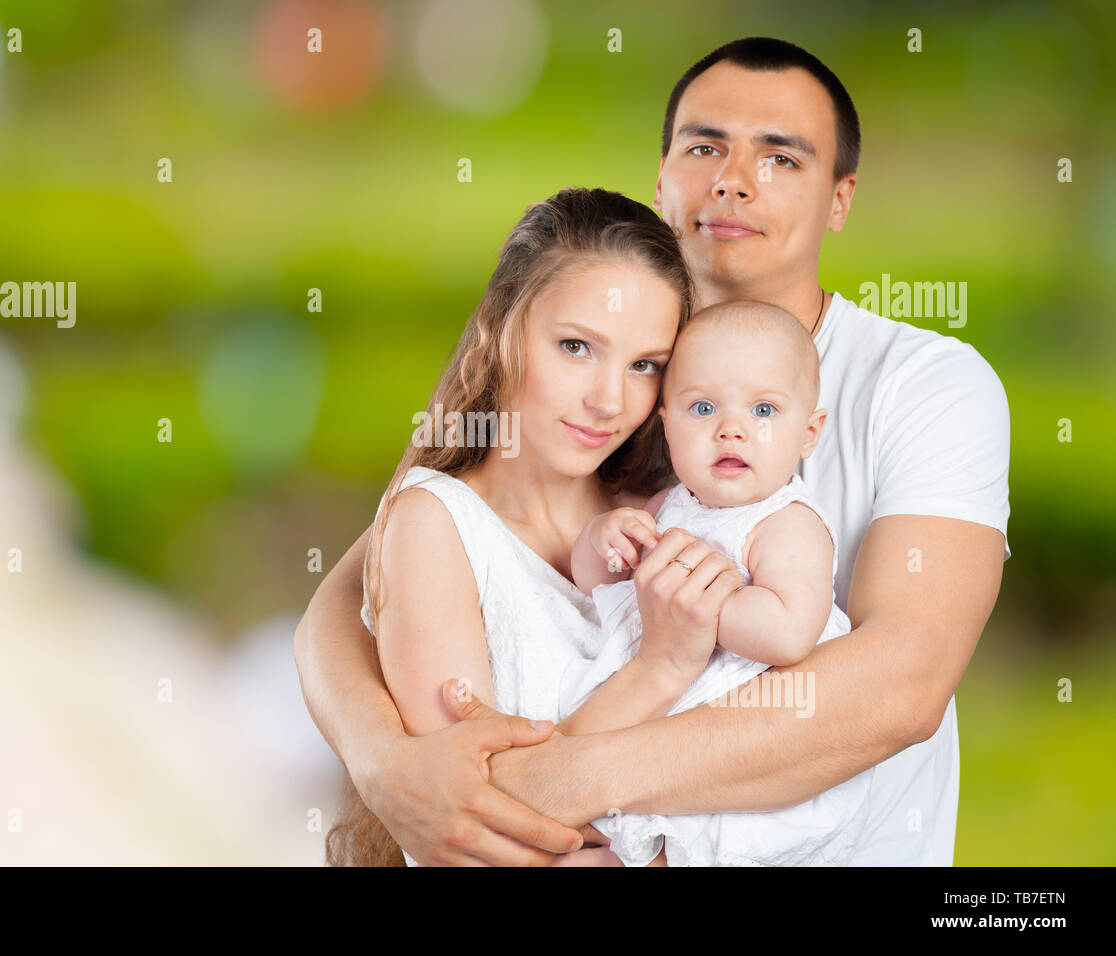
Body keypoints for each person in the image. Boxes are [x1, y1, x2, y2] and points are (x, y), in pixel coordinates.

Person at [295, 36, 1010, 866]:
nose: (733, 178)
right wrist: (388, 765)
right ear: (663, 175)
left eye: (780, 158)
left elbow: (902, 684)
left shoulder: (924, 383)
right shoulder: (618, 377)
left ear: (840, 198)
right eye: (705, 146)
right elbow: (358, 590)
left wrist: (538, 790)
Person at [329, 184, 741, 867]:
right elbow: (477, 831)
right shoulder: (435, 526)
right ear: (504, 328)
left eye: (645, 366)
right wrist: (662, 670)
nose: (610, 400)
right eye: (577, 347)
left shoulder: (667, 506)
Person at [563, 300, 868, 866]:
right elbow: (597, 584)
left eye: (763, 409)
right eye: (702, 408)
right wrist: (604, 540)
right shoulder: (670, 504)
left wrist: (698, 601)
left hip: (731, 765)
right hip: (647, 732)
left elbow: (789, 633)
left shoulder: (786, 523)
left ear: (809, 432)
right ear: (666, 425)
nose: (732, 428)